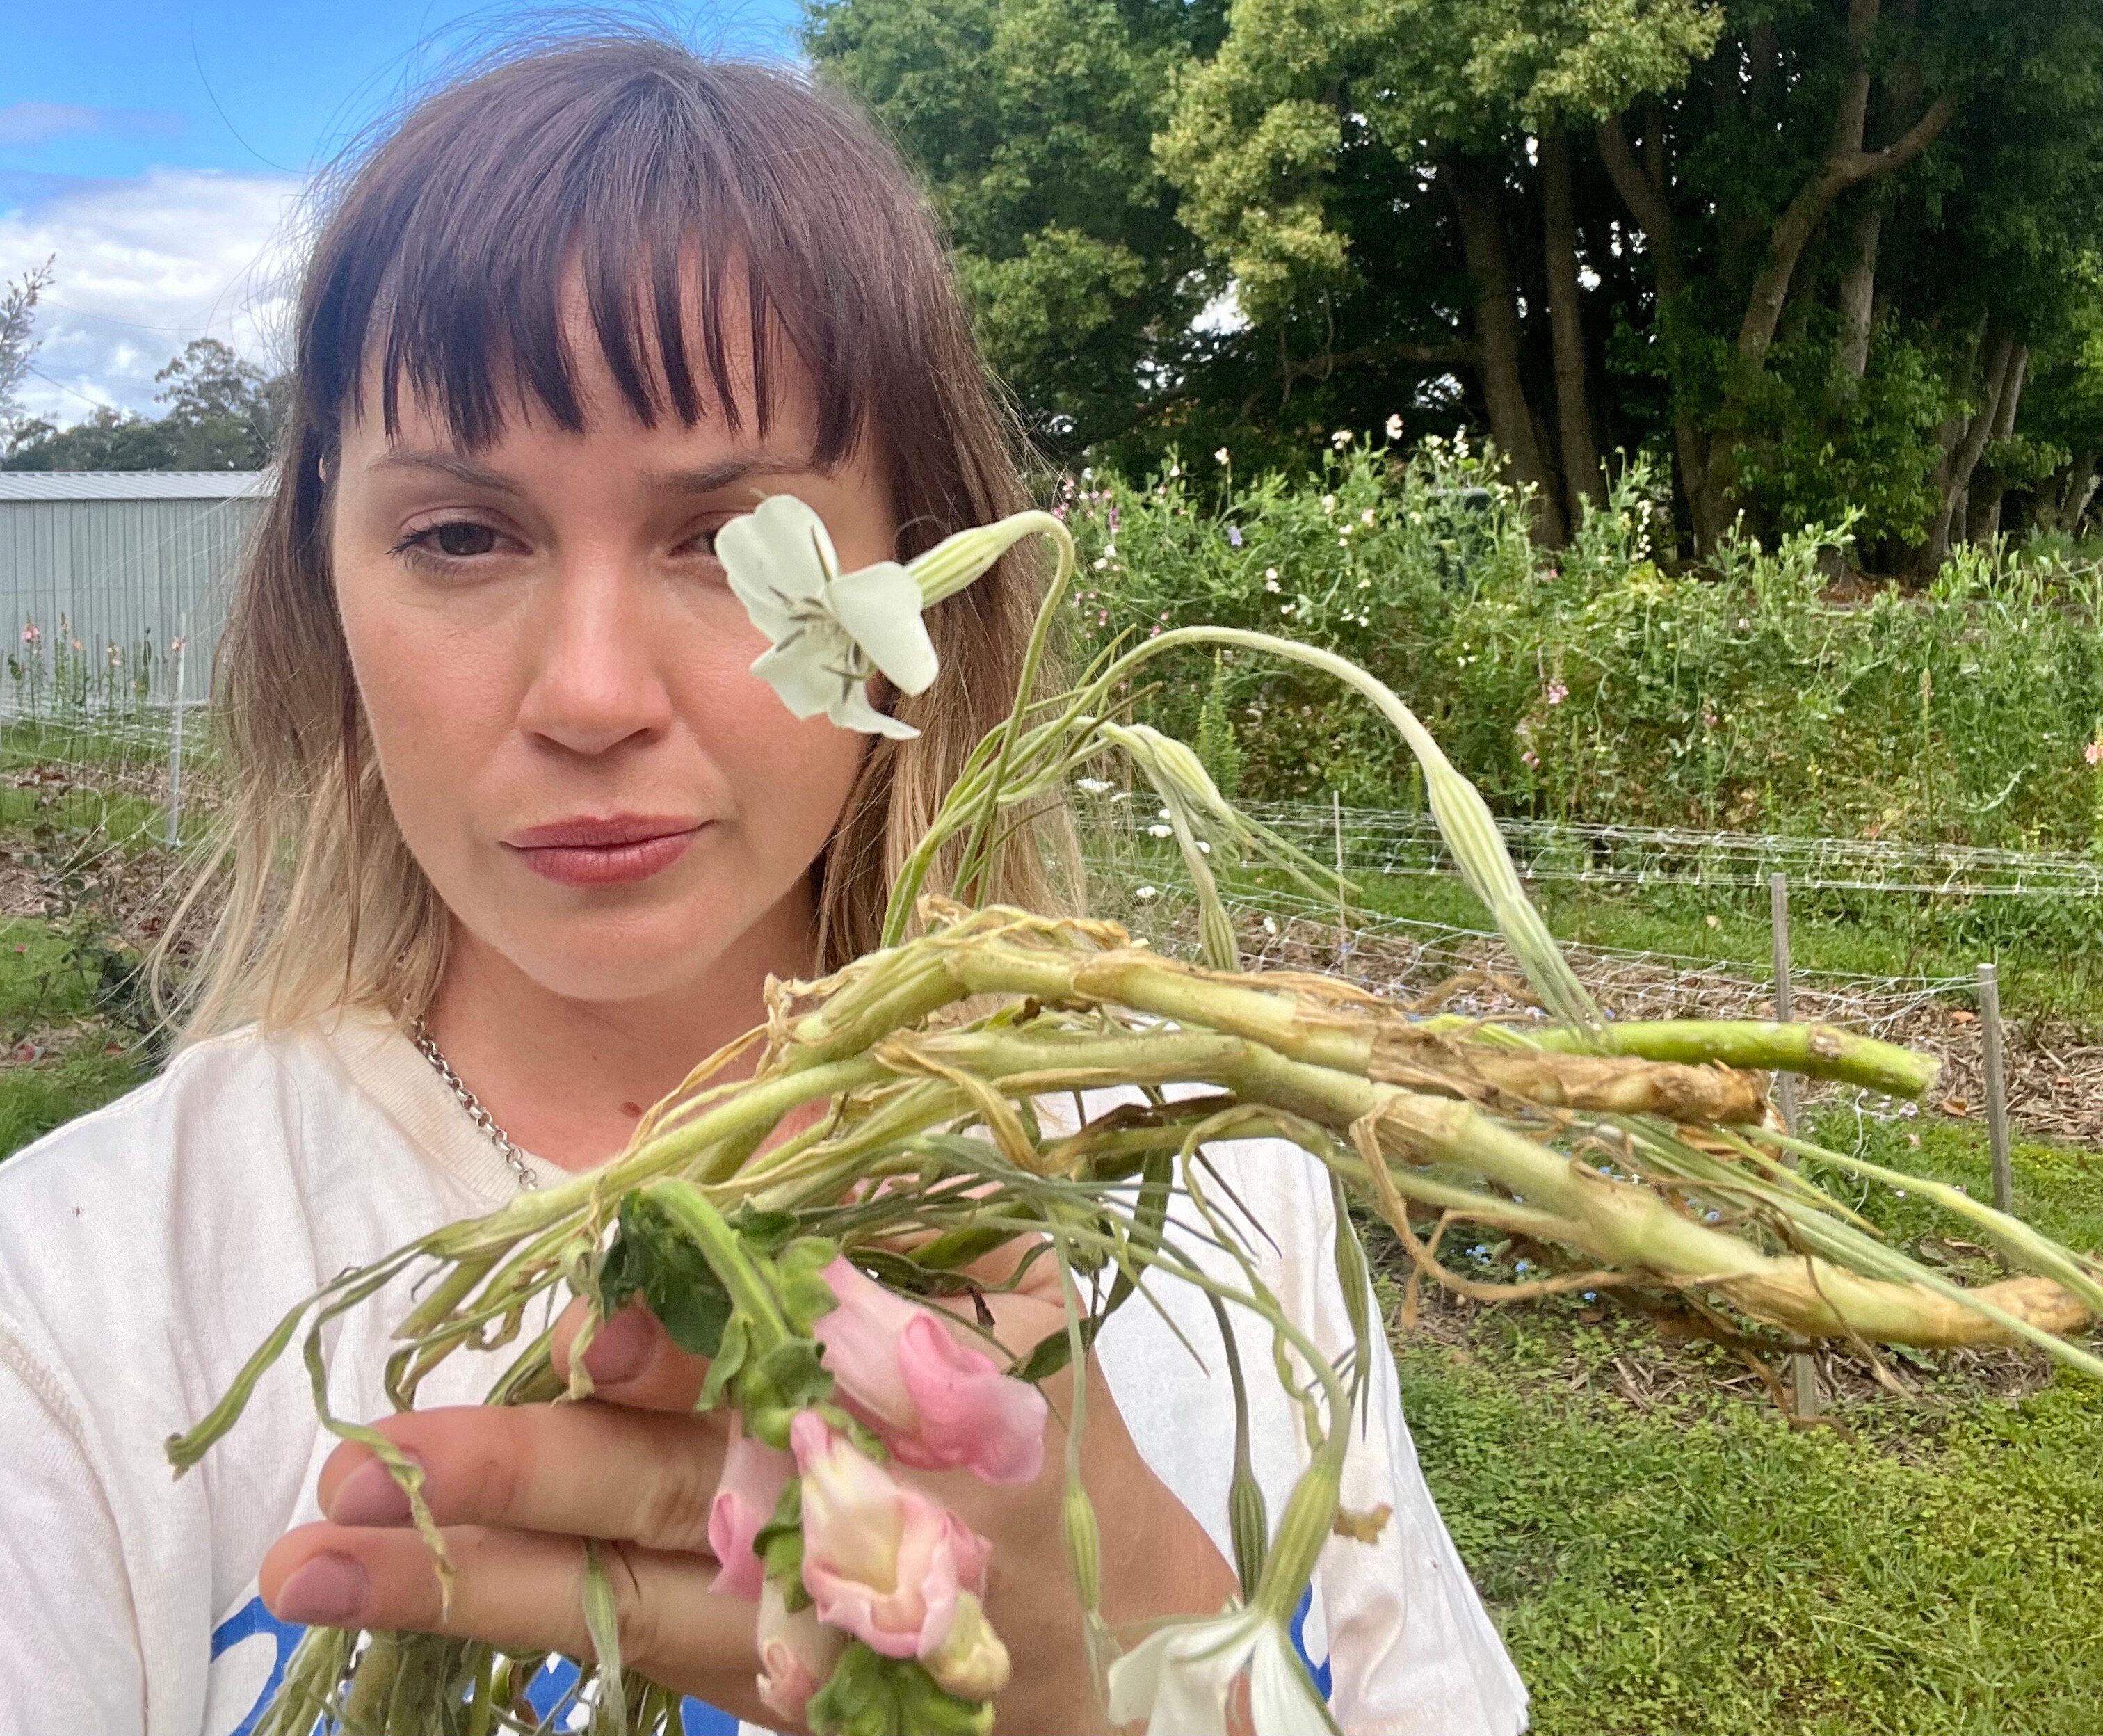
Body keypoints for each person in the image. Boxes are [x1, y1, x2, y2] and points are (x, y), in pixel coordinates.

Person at [0, 35, 1527, 1736]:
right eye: (458, 536)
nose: (589, 695)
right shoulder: (70, 1318)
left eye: (728, 542)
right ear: (323, 581)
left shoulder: (1219, 1197)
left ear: (919, 583)